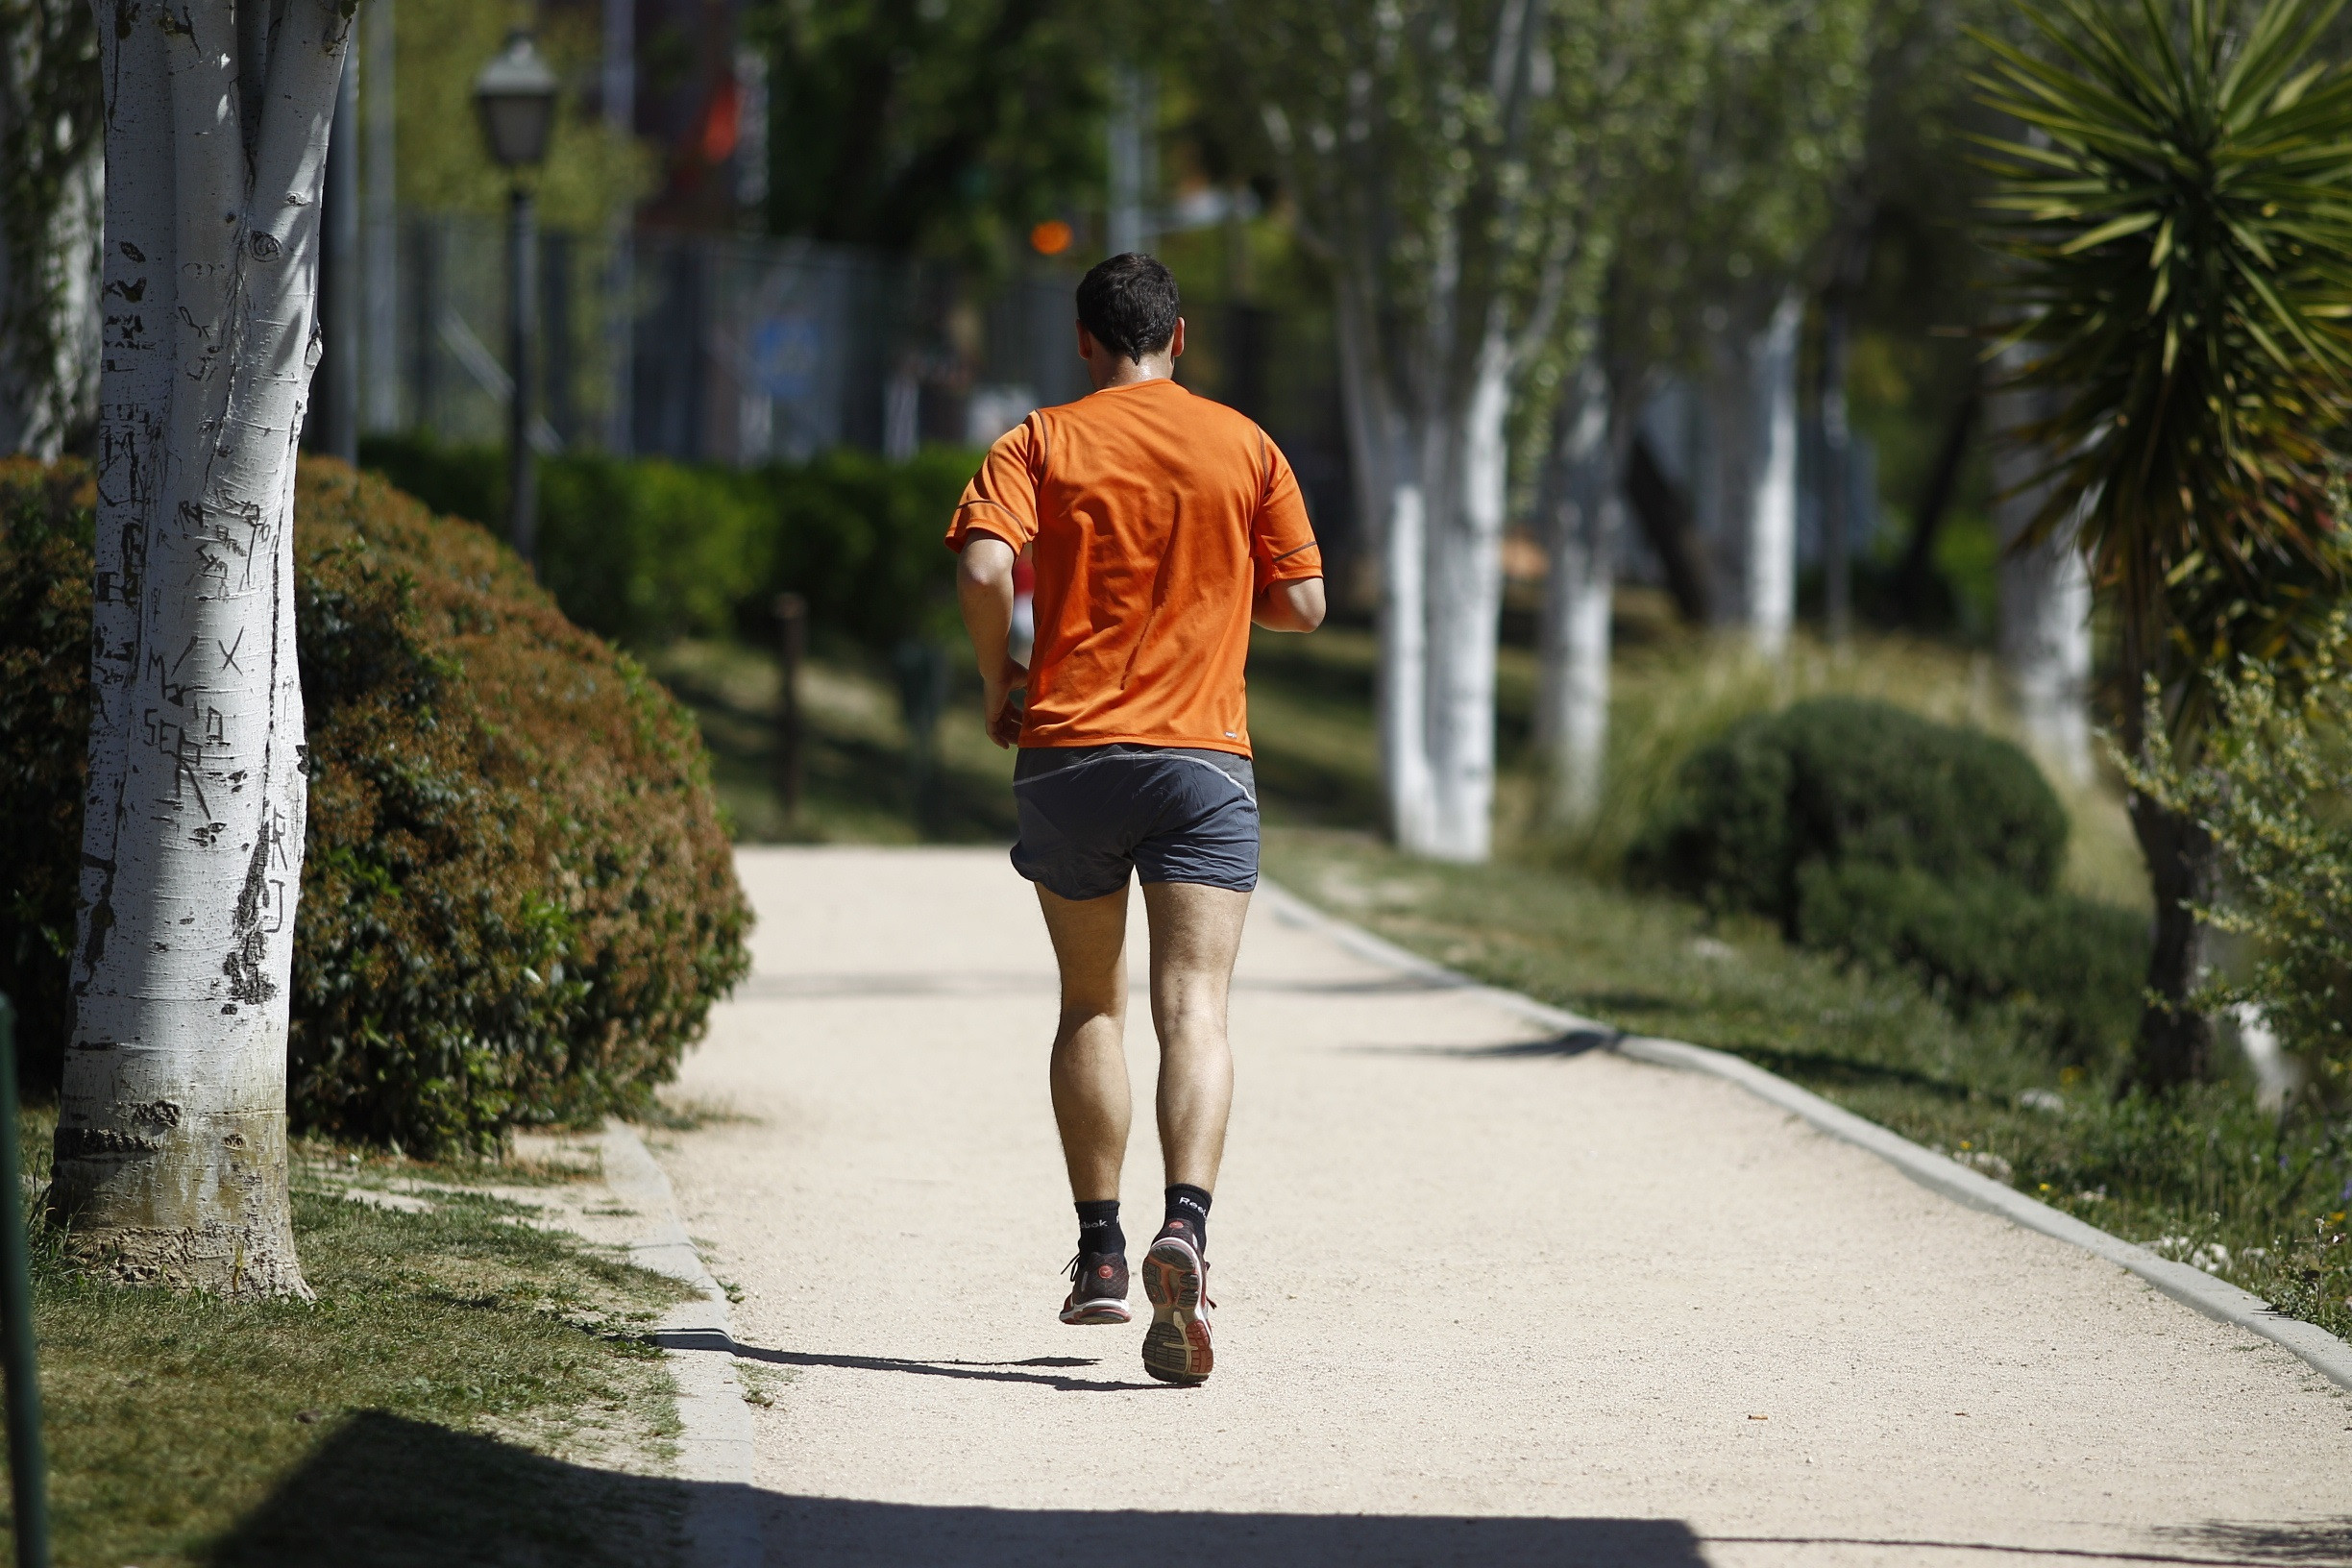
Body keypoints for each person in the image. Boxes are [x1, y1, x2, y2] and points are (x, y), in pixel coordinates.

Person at [946, 253, 1326, 1386]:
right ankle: (1187, 1231)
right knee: (1194, 1007)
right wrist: (1219, 590)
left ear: (1084, 340)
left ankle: (1103, 1254)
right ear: (1180, 335)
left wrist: (998, 680)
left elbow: (984, 566)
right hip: (1203, 759)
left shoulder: (1039, 441)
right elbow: (1306, 602)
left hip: (1068, 754)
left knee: (1088, 1003)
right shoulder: (1245, 445)